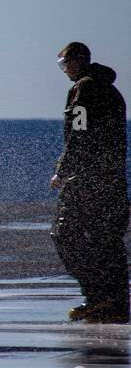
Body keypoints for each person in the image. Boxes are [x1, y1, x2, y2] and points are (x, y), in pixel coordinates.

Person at [50, 42, 128, 324]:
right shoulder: (111, 89)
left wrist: (62, 170)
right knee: (107, 240)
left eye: (65, 64)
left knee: (65, 234)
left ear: (78, 61)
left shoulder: (84, 88)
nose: (65, 70)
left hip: (87, 179)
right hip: (113, 180)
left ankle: (97, 296)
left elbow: (78, 134)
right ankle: (116, 302)